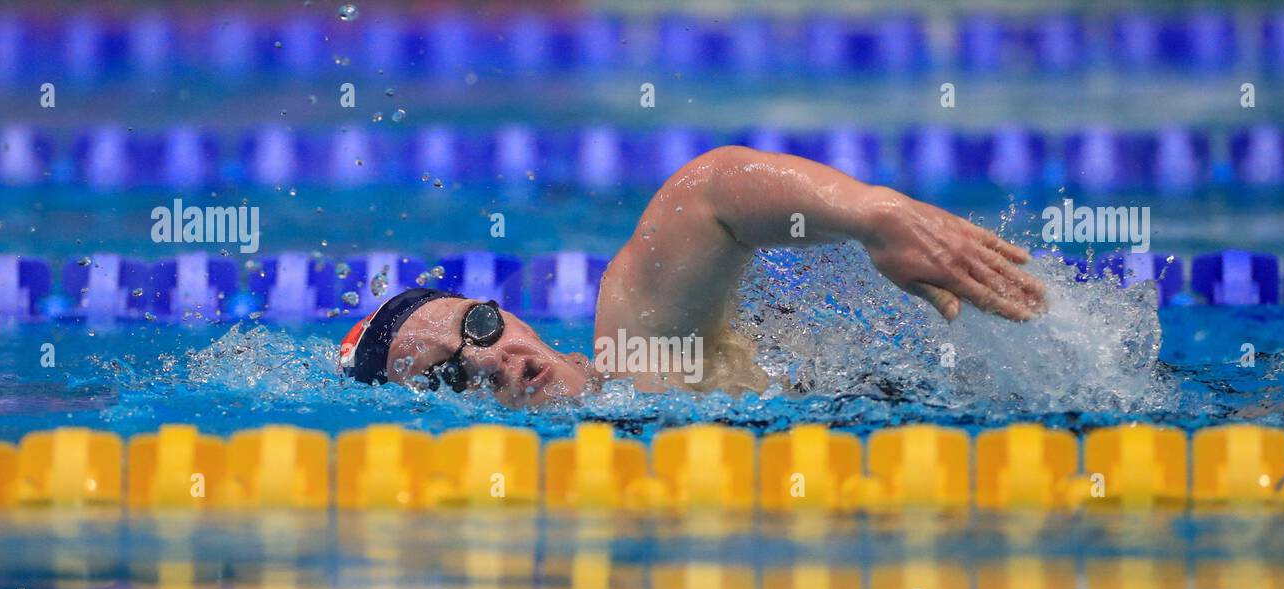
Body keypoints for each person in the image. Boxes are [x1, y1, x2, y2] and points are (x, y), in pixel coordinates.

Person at [339, 146, 1046, 407]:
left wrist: (873, 216)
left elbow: (708, 196)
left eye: (480, 328)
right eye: (450, 379)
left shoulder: (640, 352)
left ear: (508, 314)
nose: (493, 363)